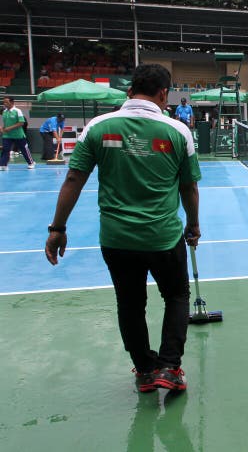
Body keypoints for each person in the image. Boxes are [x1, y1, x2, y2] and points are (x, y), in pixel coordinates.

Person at [45, 64, 202, 392]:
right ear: (164, 94)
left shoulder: (98, 127)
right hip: (163, 237)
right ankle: (170, 367)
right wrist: (193, 225)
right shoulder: (178, 131)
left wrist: (57, 228)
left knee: (130, 302)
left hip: (116, 239)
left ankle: (145, 370)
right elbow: (189, 188)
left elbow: (74, 178)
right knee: (176, 295)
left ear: (130, 91)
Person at [0, 96, 35, 170]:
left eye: (6, 102)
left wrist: (9, 128)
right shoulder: (4, 112)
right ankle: (3, 165)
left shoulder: (17, 111)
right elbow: (5, 123)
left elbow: (21, 123)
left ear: (12, 102)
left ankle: (31, 163)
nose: (5, 104)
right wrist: (2, 128)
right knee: (5, 149)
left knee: (24, 149)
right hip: (7, 135)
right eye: (4, 102)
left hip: (18, 135)